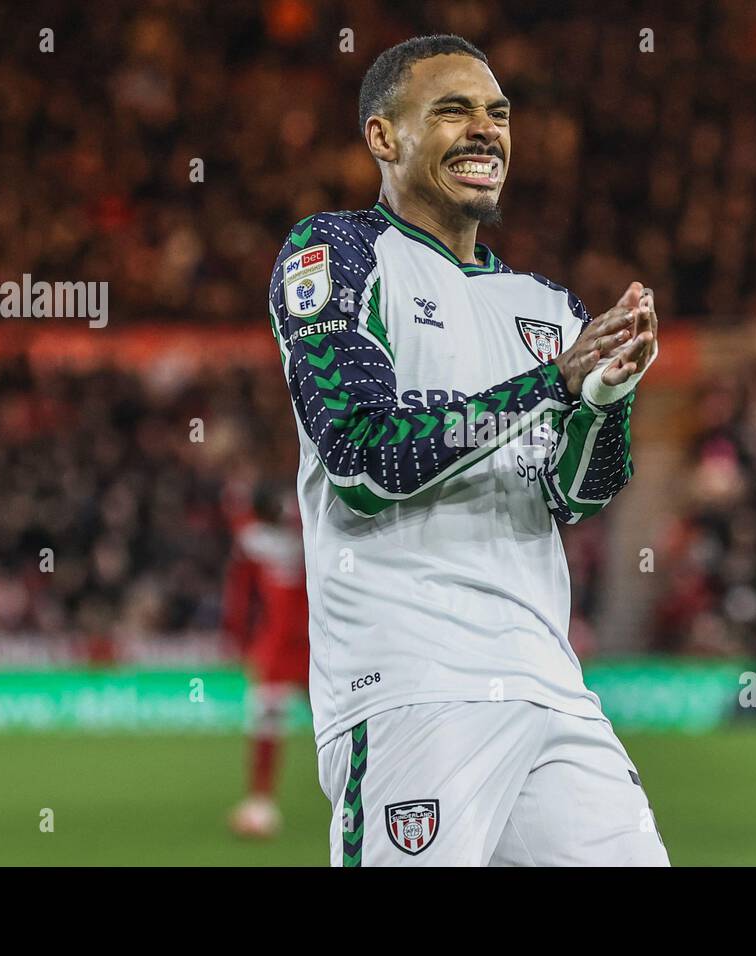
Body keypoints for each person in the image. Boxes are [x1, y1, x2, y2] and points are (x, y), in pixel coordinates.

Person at [268, 34, 665, 866]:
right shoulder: (338, 255)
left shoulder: (547, 303)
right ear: (384, 137)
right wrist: (551, 383)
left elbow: (576, 497)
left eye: (498, 114)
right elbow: (362, 459)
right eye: (453, 110)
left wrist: (605, 399)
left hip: (549, 686)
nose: (486, 131)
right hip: (414, 684)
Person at [222, 483, 309, 839]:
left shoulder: (311, 528)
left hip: (316, 646)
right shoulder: (254, 540)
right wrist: (238, 637)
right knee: (267, 722)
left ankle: (368, 791)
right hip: (279, 648)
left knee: (335, 726)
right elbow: (240, 594)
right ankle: (260, 802)